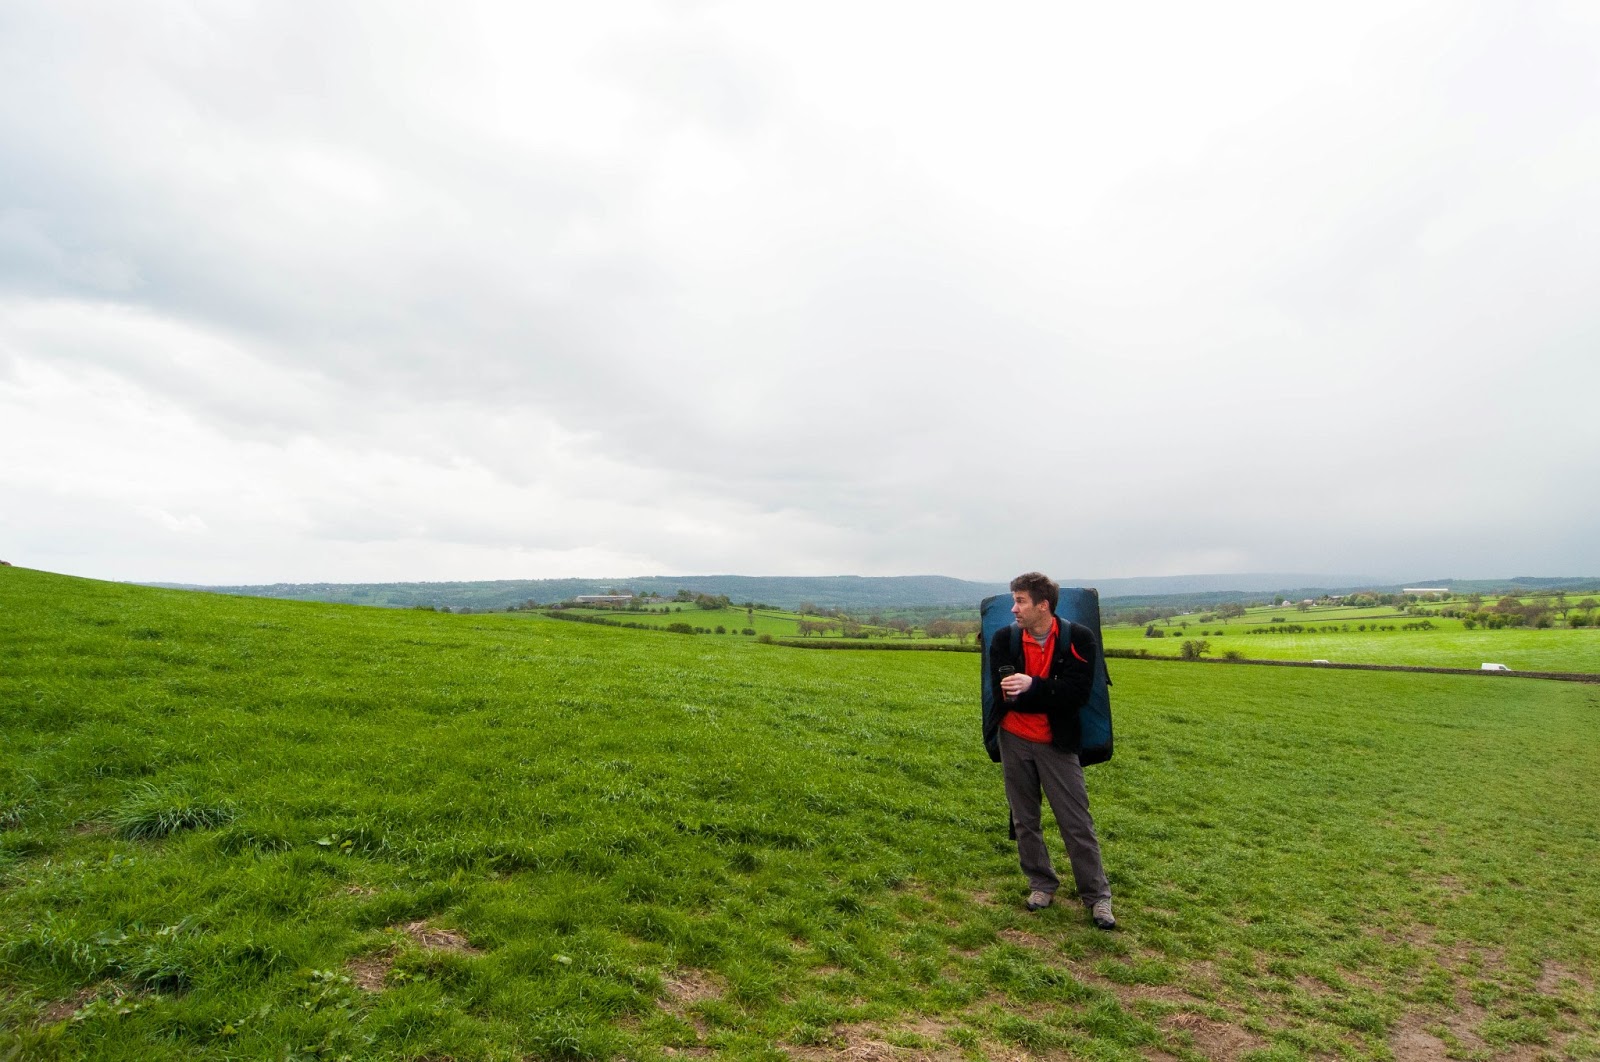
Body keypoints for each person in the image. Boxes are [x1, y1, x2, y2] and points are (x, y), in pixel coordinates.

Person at [988, 571, 1115, 929]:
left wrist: (1033, 686)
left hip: (1057, 742)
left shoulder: (1079, 638)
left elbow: (1078, 695)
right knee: (1024, 819)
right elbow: (1007, 695)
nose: (1013, 609)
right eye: (1013, 600)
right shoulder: (1005, 639)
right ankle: (1041, 884)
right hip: (1013, 738)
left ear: (1043, 605)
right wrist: (1049, 690)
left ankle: (1097, 897)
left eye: (1020, 601)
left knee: (1076, 822)